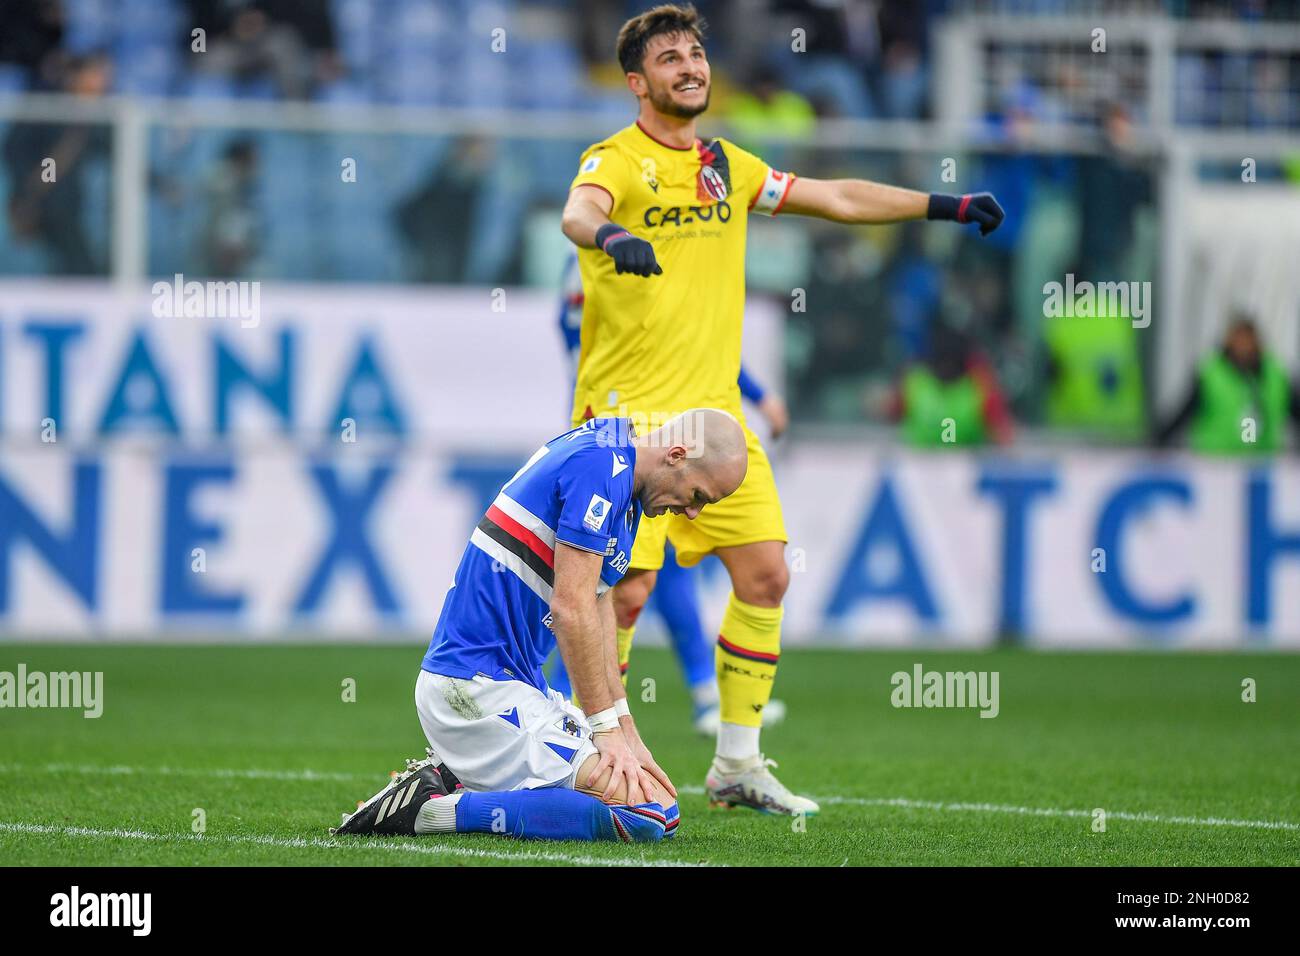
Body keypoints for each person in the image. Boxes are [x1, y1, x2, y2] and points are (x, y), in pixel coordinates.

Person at [560, 3, 1003, 815]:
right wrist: (608, 238)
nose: (690, 67)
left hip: (717, 426)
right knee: (623, 595)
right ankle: (590, 757)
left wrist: (941, 205)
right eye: (669, 59)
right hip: (630, 425)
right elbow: (577, 211)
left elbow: (835, 197)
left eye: (696, 54)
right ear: (637, 82)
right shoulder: (614, 159)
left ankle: (735, 764)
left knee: (765, 576)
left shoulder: (727, 166)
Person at [333, 409, 747, 843]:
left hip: (514, 686)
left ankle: (454, 774)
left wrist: (626, 732)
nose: (695, 512)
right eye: (699, 495)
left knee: (662, 803)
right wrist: (603, 731)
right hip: (472, 689)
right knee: (643, 817)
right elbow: (571, 610)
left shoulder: (620, 468)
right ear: (676, 455)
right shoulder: (600, 466)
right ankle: (433, 810)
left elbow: (598, 604)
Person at [550, 251, 789, 734]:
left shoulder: (589, 263)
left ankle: (572, 704)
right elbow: (679, 342)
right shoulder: (626, 254)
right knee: (612, 583)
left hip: (630, 423)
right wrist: (759, 394)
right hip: (632, 430)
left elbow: (692, 342)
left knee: (625, 580)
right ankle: (571, 706)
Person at [1154, 315, 1300, 454]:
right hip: (1216, 464)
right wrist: (1158, 439)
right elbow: (1184, 413)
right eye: (1239, 339)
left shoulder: (1276, 376)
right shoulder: (1210, 373)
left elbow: (1295, 411)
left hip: (1262, 463)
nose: (1244, 346)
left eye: (1247, 339)